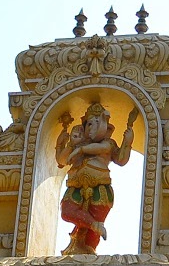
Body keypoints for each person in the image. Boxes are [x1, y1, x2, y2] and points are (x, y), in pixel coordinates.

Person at [54, 102, 137, 254]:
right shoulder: (78, 143)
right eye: (90, 124)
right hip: (75, 188)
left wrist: (128, 142)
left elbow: (121, 160)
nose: (92, 128)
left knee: (91, 234)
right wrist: (64, 145)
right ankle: (94, 226)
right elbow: (62, 160)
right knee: (67, 212)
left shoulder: (107, 143)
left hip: (101, 189)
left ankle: (88, 250)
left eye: (97, 124)